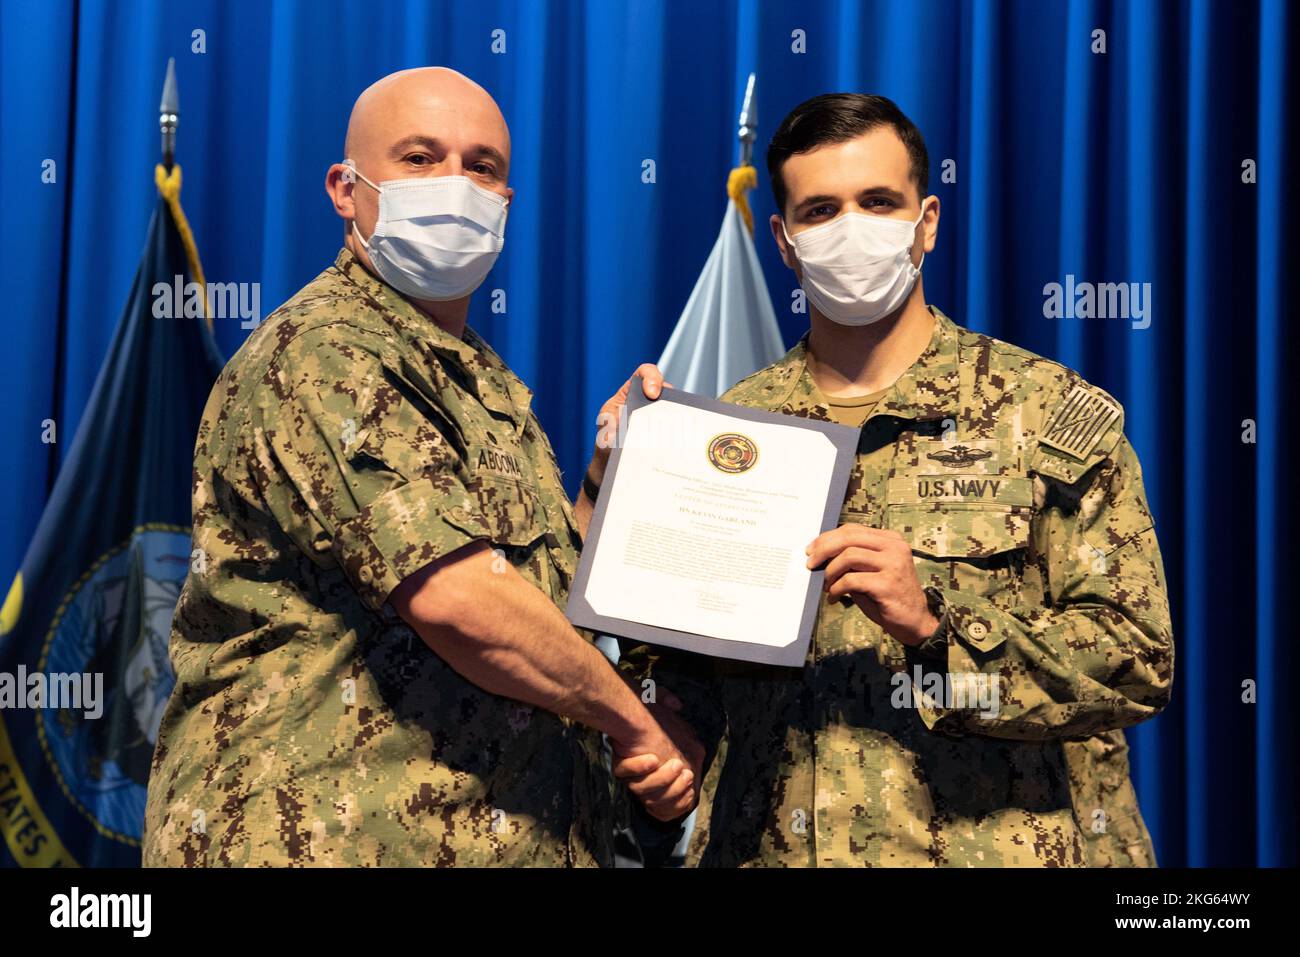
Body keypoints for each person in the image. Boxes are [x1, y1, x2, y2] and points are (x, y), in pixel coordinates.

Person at [142, 67, 696, 867]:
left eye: (482, 167)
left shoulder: (473, 376)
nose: (454, 185)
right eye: (419, 157)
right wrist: (635, 722)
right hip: (322, 840)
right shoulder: (324, 350)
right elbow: (458, 598)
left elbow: (528, 596)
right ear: (345, 187)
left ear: (507, 201)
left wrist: (603, 484)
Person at [620, 93, 1173, 867]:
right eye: (820, 210)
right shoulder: (727, 432)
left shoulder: (1045, 413)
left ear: (928, 220)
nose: (851, 228)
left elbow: (1137, 659)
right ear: (783, 241)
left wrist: (938, 626)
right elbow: (676, 682)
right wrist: (667, 739)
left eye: (879, 201)